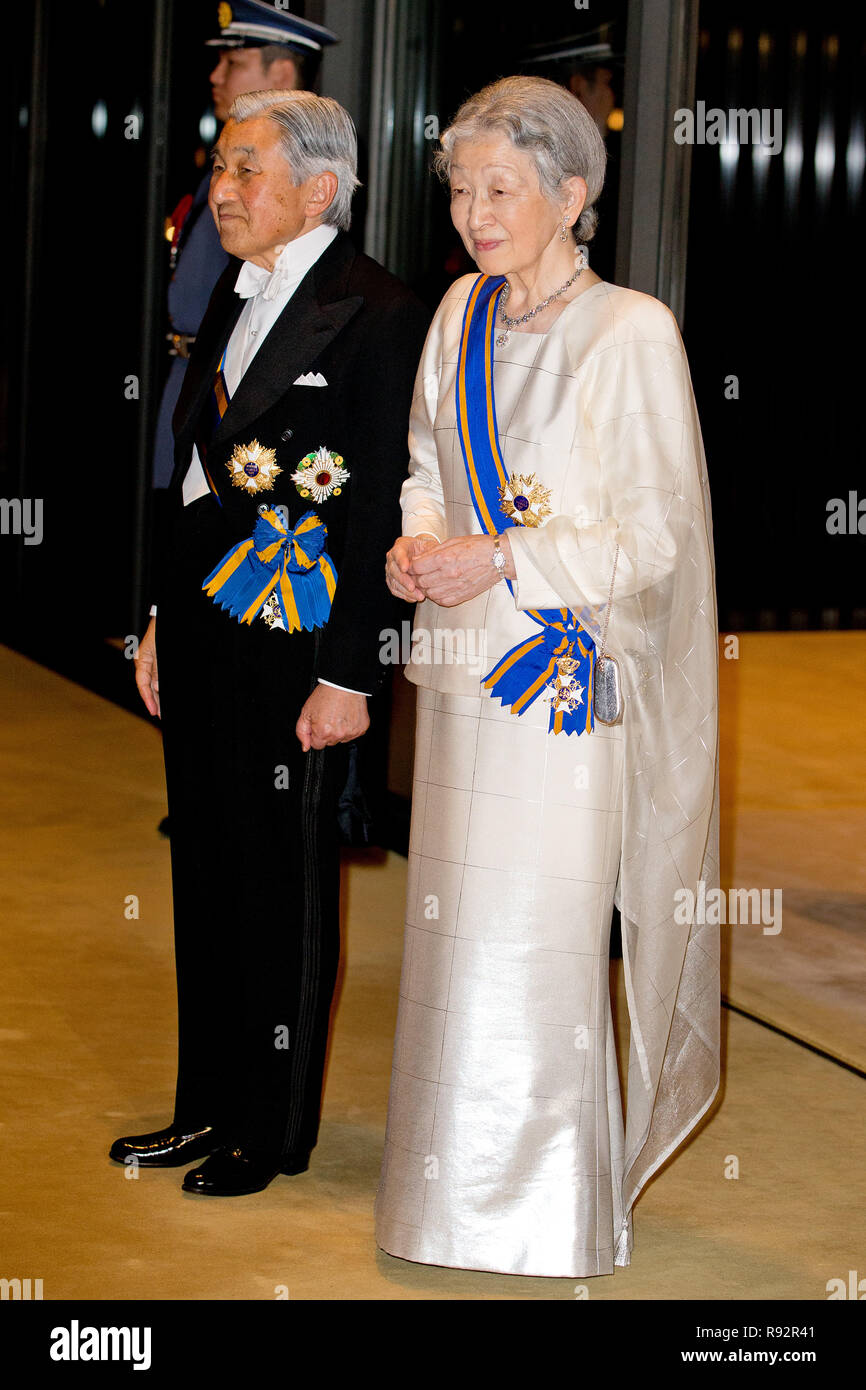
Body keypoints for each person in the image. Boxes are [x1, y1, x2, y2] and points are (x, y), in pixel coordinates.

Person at [377, 75, 720, 1278]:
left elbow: (654, 534)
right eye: (461, 189)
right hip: (468, 682)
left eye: (501, 190)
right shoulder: (456, 316)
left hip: (562, 687)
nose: (474, 213)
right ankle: (443, 1206)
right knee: (454, 941)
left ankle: (548, 1215)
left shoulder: (630, 331)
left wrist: (503, 555)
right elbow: (423, 460)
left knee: (537, 942)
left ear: (571, 197)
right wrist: (415, 543)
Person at [110, 90, 429, 1196]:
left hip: (297, 650)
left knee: (277, 886)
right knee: (202, 867)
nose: (223, 192)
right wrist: (155, 615)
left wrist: (352, 671)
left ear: (317, 189)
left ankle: (270, 1126)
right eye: (222, 168)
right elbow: (188, 478)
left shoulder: (379, 309)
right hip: (202, 628)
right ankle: (204, 1102)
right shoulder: (235, 295)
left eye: (247, 170)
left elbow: (379, 502)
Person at [152, 1, 339, 490]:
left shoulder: (300, 187)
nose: (216, 76)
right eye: (223, 171)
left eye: (233, 63)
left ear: (279, 72)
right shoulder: (220, 163)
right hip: (191, 380)